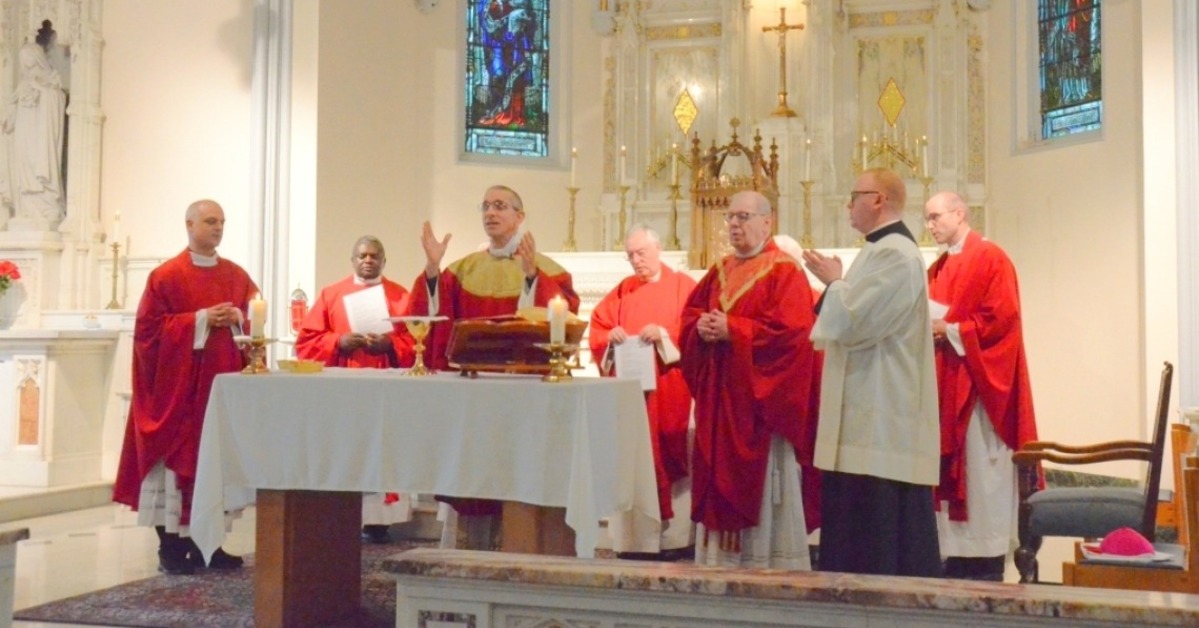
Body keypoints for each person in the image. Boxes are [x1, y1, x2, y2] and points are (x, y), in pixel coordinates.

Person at [409, 184, 579, 549]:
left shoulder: (549, 270)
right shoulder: (462, 269)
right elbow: (433, 324)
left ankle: (522, 549)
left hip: (524, 398)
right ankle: (465, 560)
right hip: (475, 400)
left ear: (520, 216)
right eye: (485, 206)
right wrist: (433, 270)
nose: (490, 213)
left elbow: (562, 324)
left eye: (500, 206)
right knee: (474, 472)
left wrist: (533, 277)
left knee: (519, 472)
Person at [801, 168, 941, 577]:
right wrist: (838, 286)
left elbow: (857, 323)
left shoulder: (896, 253)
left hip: (882, 423)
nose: (848, 204)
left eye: (854, 195)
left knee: (878, 547)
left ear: (878, 200)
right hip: (867, 416)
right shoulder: (879, 250)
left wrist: (833, 283)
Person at [112, 199, 254, 575]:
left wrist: (239, 317)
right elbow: (147, 332)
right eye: (210, 221)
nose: (218, 228)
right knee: (173, 471)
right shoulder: (166, 276)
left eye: (222, 222)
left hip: (218, 391)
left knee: (216, 465)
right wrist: (202, 319)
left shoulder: (237, 276)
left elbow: (257, 319)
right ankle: (171, 549)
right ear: (189, 225)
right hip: (178, 394)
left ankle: (212, 544)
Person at [680, 190, 820, 569]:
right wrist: (702, 327)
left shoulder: (785, 272)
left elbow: (793, 337)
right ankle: (717, 564)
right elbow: (689, 316)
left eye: (744, 216)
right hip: (721, 401)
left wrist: (734, 330)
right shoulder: (719, 269)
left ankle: (765, 565)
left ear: (767, 221)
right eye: (730, 217)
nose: (735, 224)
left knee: (763, 484)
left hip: (759, 407)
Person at [924, 191, 1038, 581]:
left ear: (960, 213)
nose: (931, 224)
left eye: (936, 216)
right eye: (927, 218)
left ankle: (983, 561)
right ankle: (951, 557)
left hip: (978, 392)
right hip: (944, 384)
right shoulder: (937, 268)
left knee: (981, 473)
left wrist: (950, 330)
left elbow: (1003, 322)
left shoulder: (991, 258)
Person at [295, 235, 417, 544]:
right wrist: (339, 342)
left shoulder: (401, 296)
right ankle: (344, 517)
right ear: (353, 260)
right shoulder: (331, 294)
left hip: (385, 391)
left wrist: (390, 344)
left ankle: (380, 523)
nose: (368, 260)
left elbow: (419, 343)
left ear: (384, 261)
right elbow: (306, 343)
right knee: (347, 450)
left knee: (383, 449)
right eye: (362, 255)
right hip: (343, 393)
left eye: (375, 255)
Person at [589, 225, 697, 558]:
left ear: (658, 249)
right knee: (633, 460)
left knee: (668, 452)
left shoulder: (683, 286)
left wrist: (664, 335)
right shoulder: (623, 290)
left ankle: (674, 540)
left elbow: (696, 328)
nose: (636, 261)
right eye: (631, 256)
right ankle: (634, 540)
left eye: (642, 254)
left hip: (669, 390)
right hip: (632, 394)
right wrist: (612, 338)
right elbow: (599, 326)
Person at [3, 40, 66, 228]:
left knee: (38, 163)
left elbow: (58, 99)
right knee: (23, 166)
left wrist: (41, 90)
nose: (25, 61)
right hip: (23, 130)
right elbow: (13, 106)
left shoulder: (49, 78)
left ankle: (46, 207)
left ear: (36, 56)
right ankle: (26, 210)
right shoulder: (23, 82)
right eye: (22, 58)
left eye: (28, 56)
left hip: (40, 133)